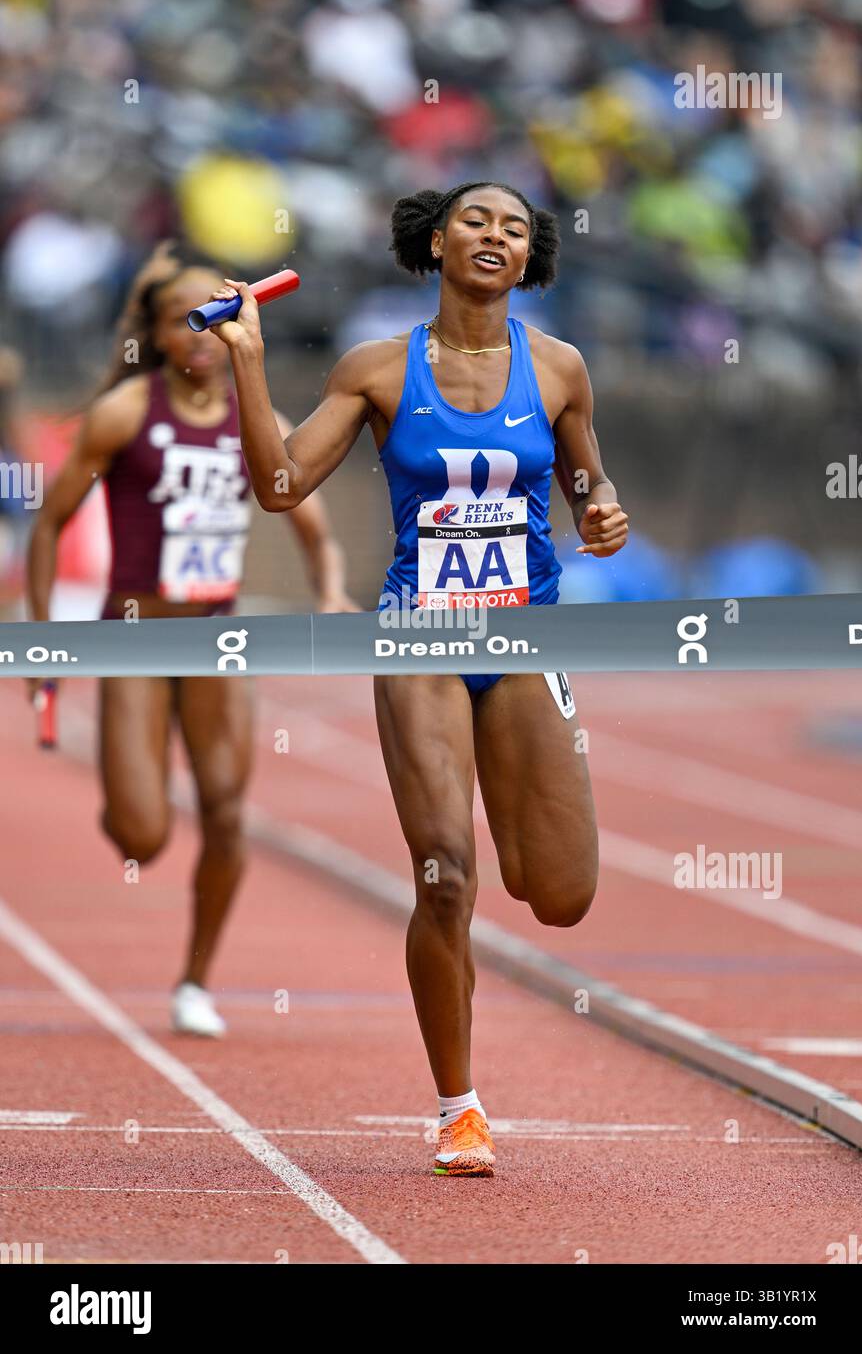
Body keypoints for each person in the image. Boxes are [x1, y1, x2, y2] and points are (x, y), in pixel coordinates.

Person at [208, 183, 629, 1172]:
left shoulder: (559, 368)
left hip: (521, 638)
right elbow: (279, 487)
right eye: (476, 221)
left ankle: (464, 1074)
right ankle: (459, 1106)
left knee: (559, 894)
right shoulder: (376, 369)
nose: (494, 236)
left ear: (527, 260)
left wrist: (602, 513)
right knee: (444, 869)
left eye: (514, 229)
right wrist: (249, 365)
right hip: (417, 640)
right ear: (436, 242)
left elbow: (586, 483)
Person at [26, 241, 357, 1037]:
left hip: (217, 639)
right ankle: (126, 798)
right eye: (184, 319)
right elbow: (48, 526)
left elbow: (312, 527)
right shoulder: (126, 412)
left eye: (216, 315)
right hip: (135, 640)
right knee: (141, 833)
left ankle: (196, 981)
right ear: (158, 334)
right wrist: (41, 640)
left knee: (227, 811)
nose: (202, 333)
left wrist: (330, 591)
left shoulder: (258, 421)